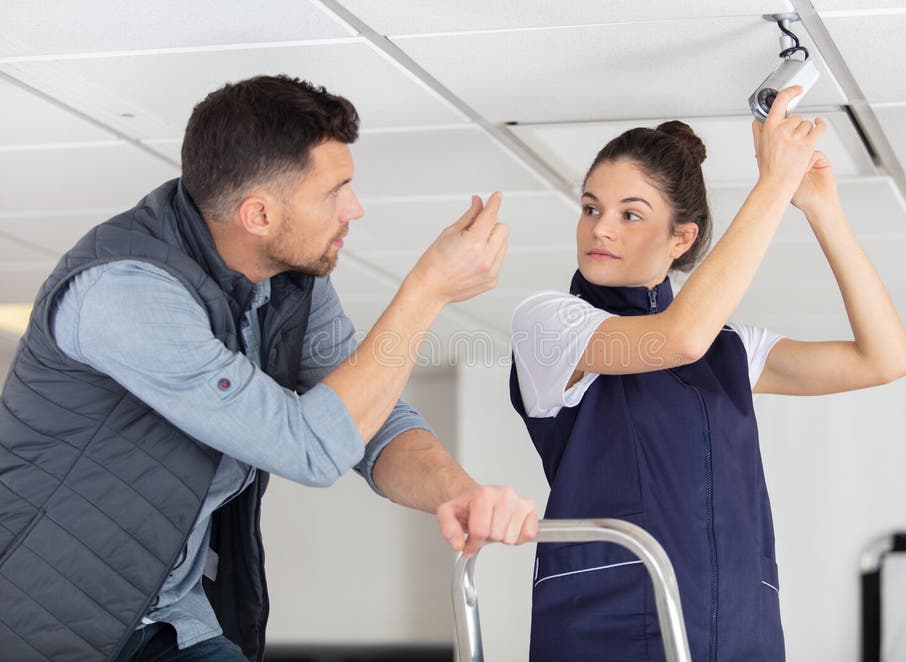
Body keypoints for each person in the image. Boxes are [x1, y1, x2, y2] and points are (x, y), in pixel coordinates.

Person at [0, 74, 538, 662]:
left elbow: (369, 420)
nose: (354, 209)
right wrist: (426, 292)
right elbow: (306, 445)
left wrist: (457, 493)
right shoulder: (124, 292)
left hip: (169, 620)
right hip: (42, 627)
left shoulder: (291, 282)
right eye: (335, 191)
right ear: (258, 213)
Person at [509, 87, 906, 661]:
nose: (600, 228)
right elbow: (677, 338)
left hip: (739, 638)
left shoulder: (729, 352)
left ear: (682, 238)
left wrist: (822, 210)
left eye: (630, 214)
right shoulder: (551, 325)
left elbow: (885, 358)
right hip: (610, 635)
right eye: (591, 207)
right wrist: (771, 185)